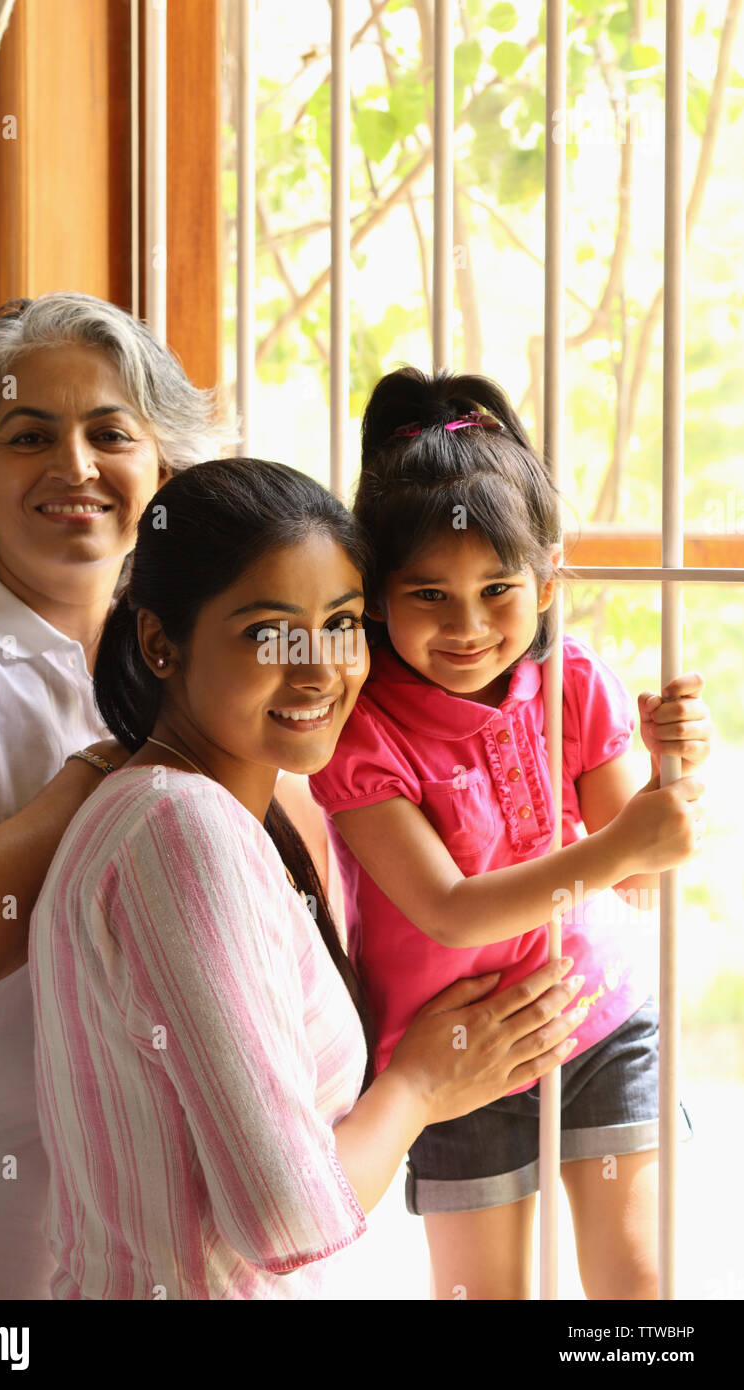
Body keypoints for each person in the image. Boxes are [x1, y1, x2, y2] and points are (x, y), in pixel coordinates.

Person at [28, 457, 588, 1300]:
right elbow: (285, 1220)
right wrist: (422, 1085)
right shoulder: (181, 831)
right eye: (269, 632)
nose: (322, 668)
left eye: (343, 623)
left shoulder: (205, 816)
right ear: (159, 642)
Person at [308, 368, 711, 1301]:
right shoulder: (364, 729)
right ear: (375, 596)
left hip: (600, 1015)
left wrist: (672, 772)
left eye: (498, 589)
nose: (469, 626)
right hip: (456, 1055)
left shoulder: (571, 678)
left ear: (547, 579)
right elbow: (448, 913)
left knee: (639, 1287)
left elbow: (638, 871)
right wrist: (623, 847)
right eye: (429, 596)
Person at [0, 291, 221, 1299]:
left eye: (109, 432)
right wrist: (115, 757)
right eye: (29, 435)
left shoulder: (202, 665)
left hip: (160, 1219)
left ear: (160, 469)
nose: (73, 466)